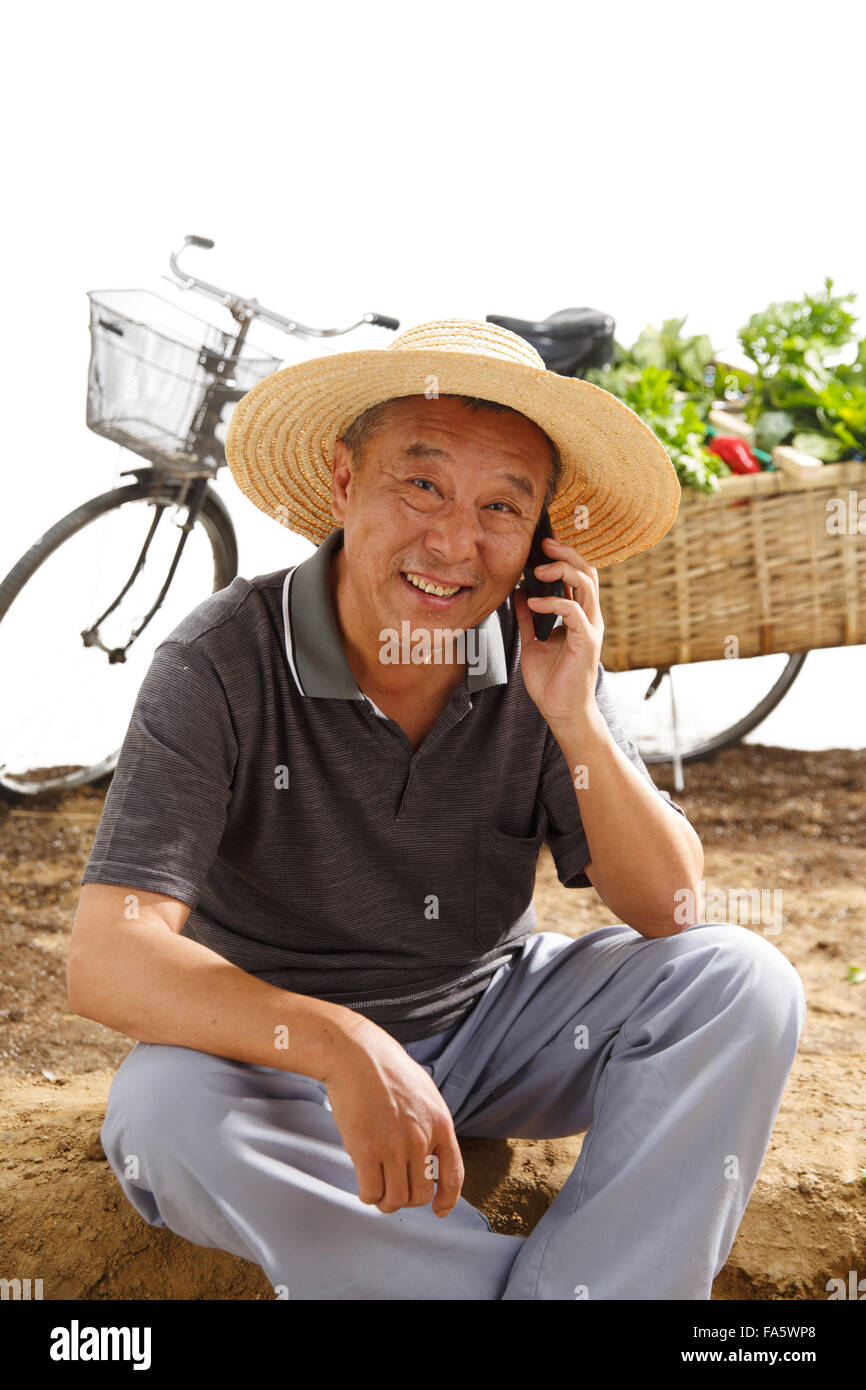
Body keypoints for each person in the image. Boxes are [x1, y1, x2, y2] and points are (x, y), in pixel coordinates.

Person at [68, 318, 806, 1300]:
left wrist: (575, 717)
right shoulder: (217, 663)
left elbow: (668, 910)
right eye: (421, 484)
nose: (455, 542)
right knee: (162, 1113)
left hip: (491, 1021)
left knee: (742, 981)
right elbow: (107, 954)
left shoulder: (540, 653)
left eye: (502, 505)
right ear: (342, 483)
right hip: (281, 1071)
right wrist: (340, 1042)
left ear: (540, 535)